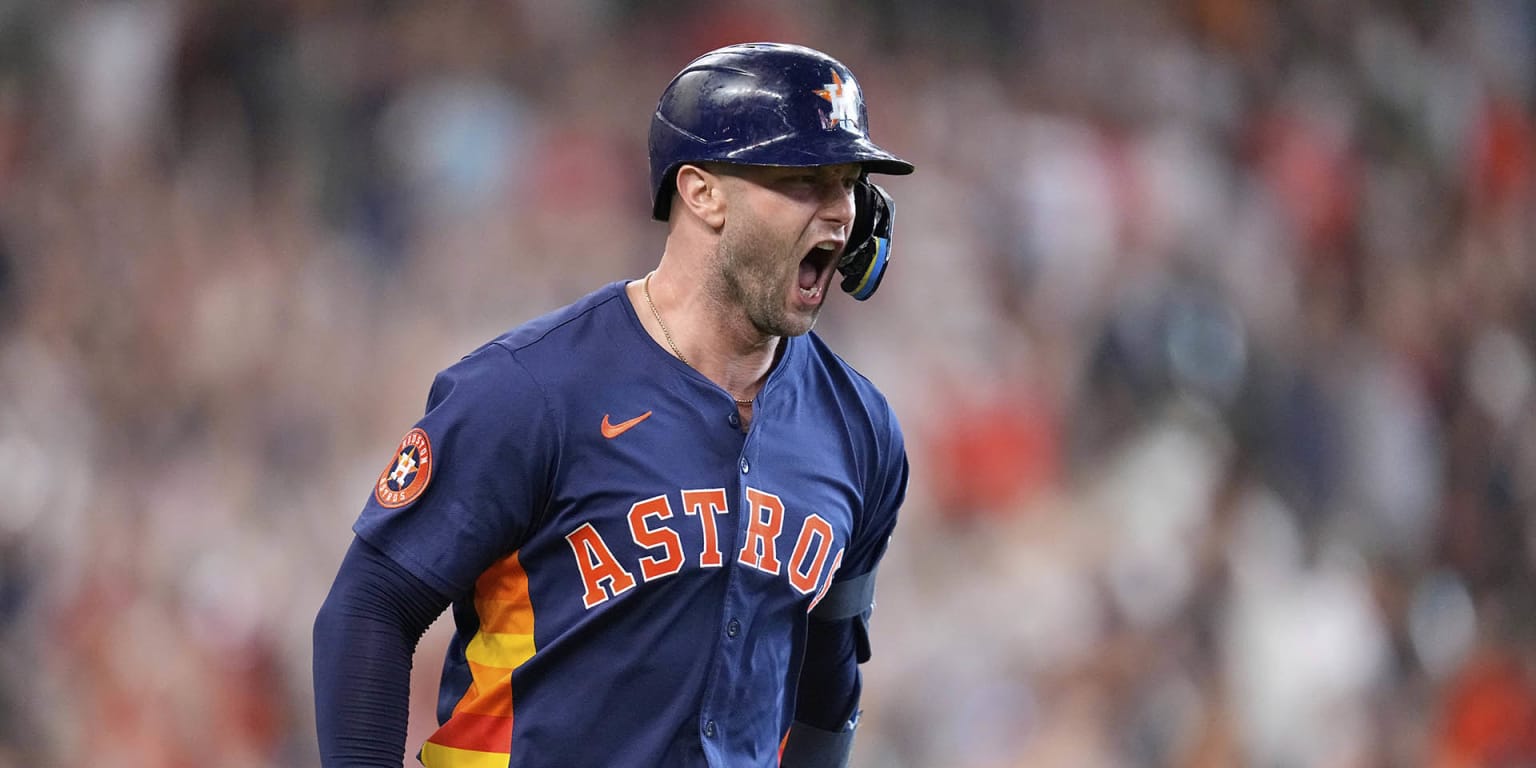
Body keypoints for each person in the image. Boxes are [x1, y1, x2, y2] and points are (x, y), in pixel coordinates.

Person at [313, 41, 914, 767]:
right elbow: (370, 606)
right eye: (804, 181)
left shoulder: (861, 428)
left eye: (848, 184)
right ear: (702, 193)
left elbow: (828, 685)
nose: (839, 214)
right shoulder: (531, 390)